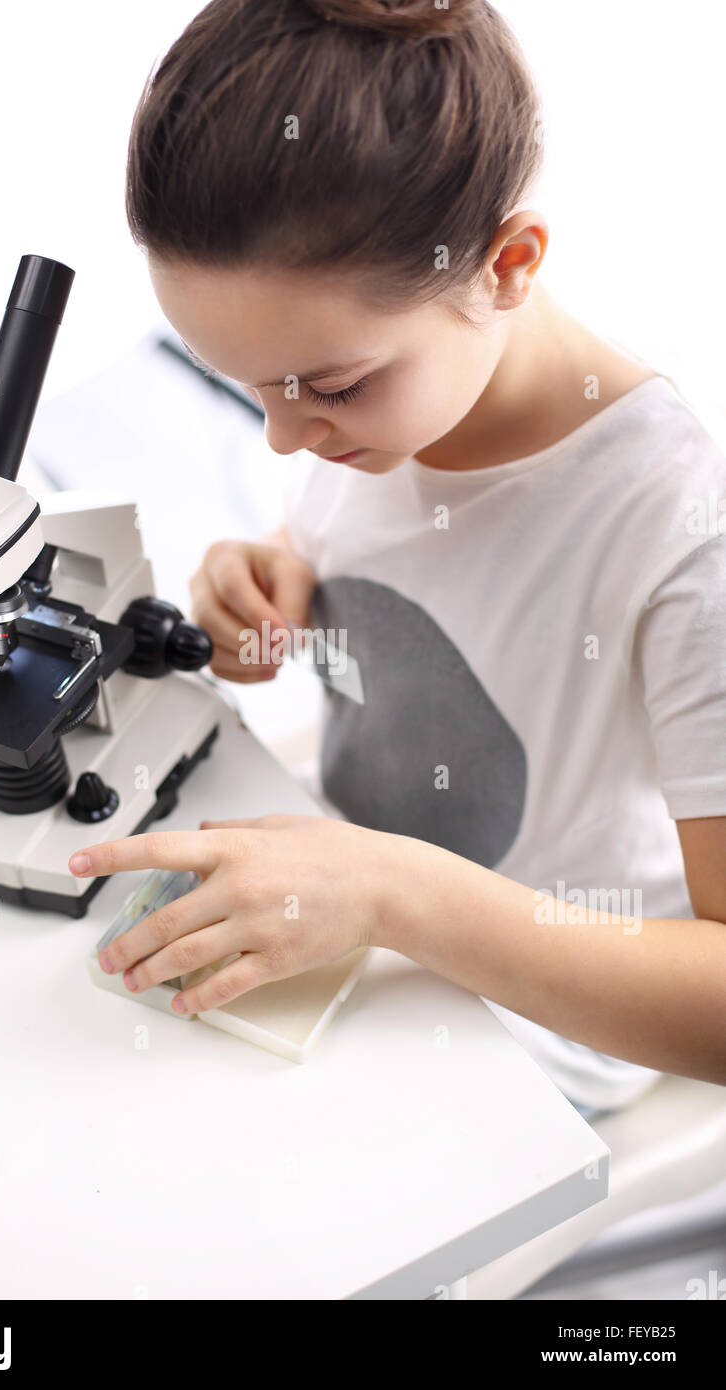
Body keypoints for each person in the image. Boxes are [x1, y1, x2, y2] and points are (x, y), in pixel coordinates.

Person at [69, 0, 726, 1113]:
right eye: (244, 386)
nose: (281, 436)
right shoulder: (374, 406)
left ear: (507, 264)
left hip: (528, 1024)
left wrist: (391, 892)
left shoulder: (676, 532)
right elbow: (391, 560)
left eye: (325, 388)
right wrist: (268, 577)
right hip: (346, 899)